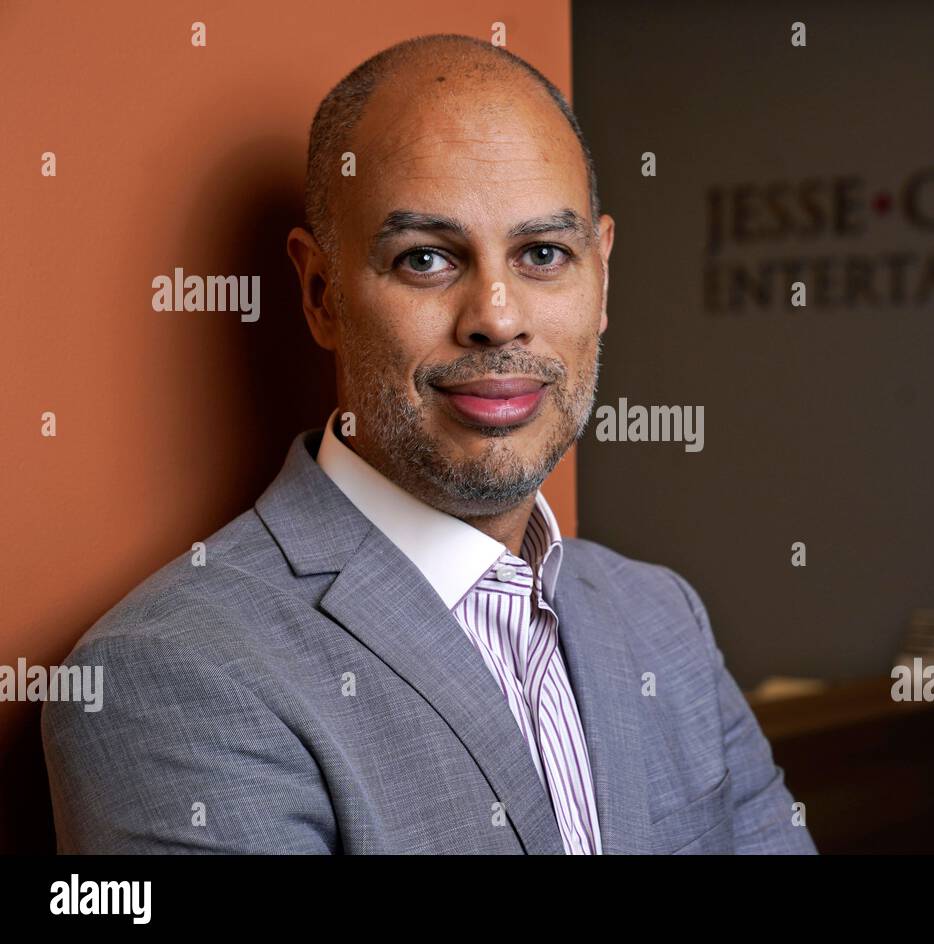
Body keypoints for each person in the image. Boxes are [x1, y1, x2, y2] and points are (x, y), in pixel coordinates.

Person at [41, 33, 816, 855]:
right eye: (426, 259)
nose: (498, 315)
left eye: (544, 254)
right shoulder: (170, 677)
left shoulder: (663, 619)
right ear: (322, 293)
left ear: (602, 281)